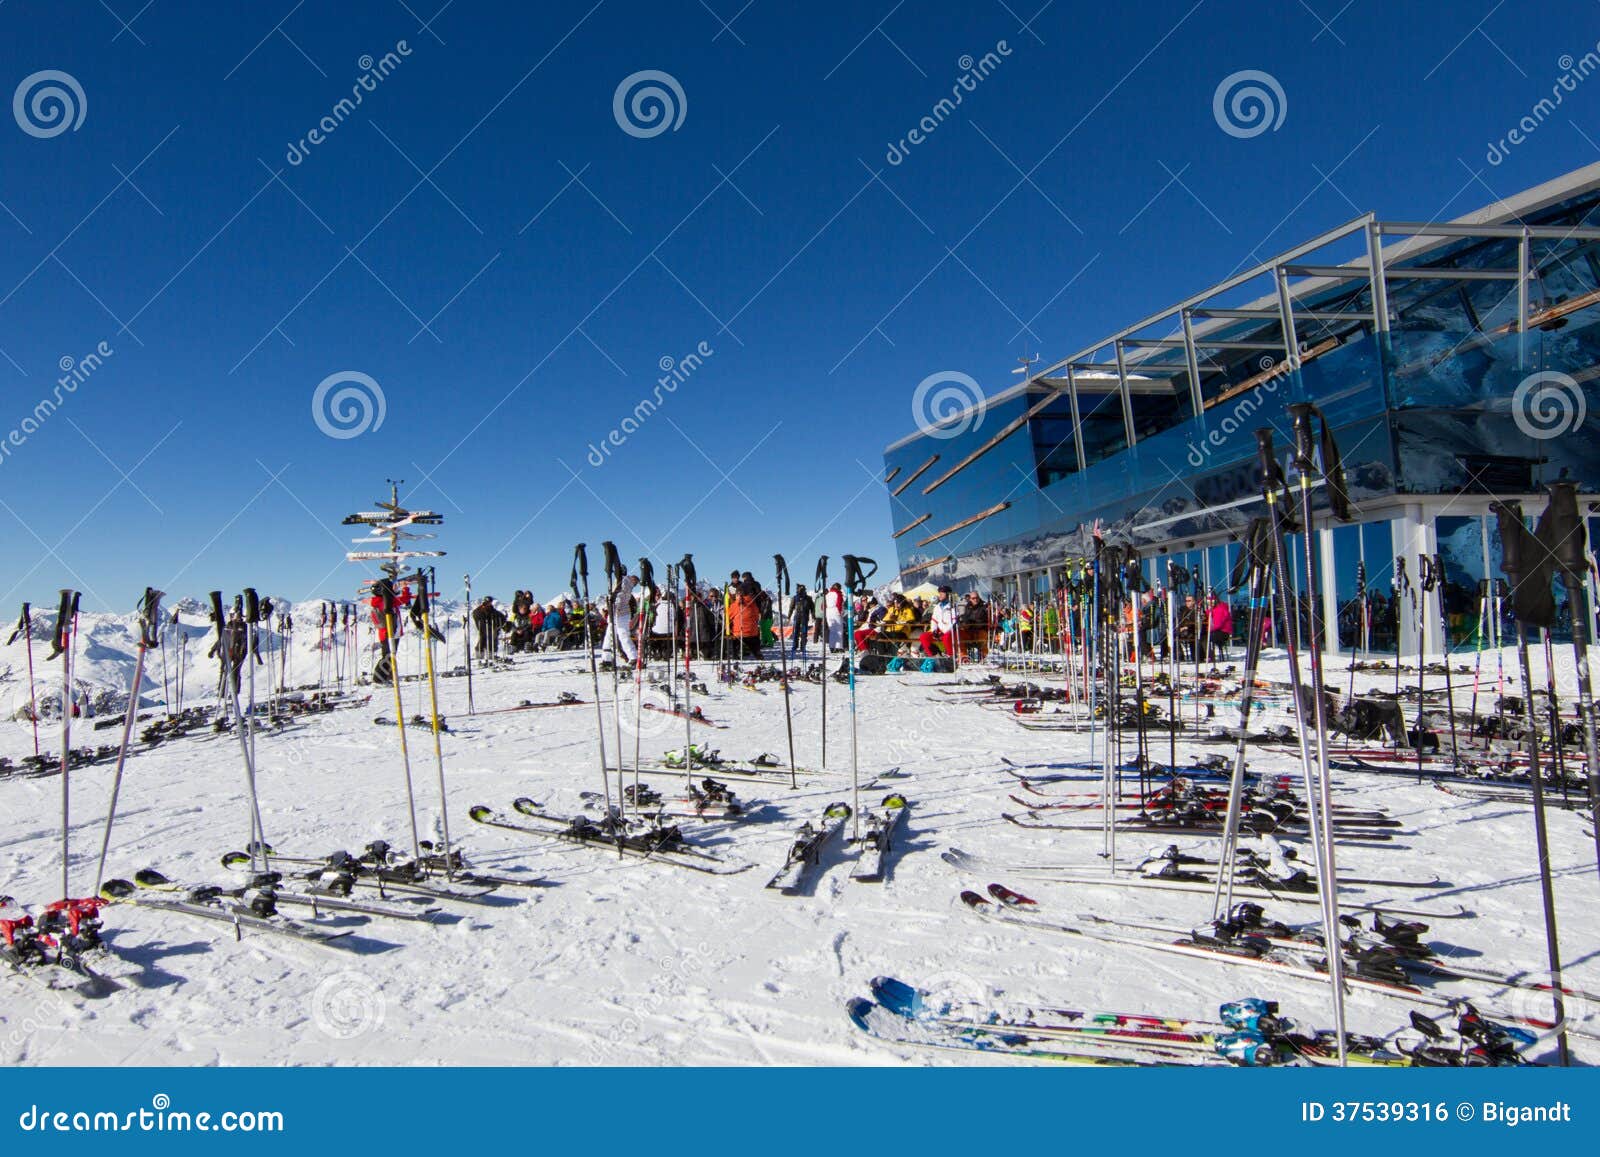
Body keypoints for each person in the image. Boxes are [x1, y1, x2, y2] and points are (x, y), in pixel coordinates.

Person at [602, 575, 640, 664]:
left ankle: (632, 657)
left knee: (620, 636)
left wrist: (612, 606)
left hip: (620, 614)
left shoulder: (626, 583)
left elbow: (618, 596)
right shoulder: (625, 582)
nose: (635, 584)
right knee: (614, 636)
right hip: (618, 613)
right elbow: (617, 595)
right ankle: (607, 658)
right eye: (635, 582)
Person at [727, 585, 762, 659]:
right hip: (752, 633)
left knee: (734, 639)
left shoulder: (735, 605)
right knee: (754, 638)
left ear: (737, 595)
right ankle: (757, 652)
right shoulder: (753, 603)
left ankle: (736, 654)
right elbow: (757, 616)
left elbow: (728, 617)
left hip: (739, 633)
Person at [919, 587, 957, 656]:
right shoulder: (937, 607)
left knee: (946, 637)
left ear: (948, 594)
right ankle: (933, 655)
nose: (940, 595)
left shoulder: (953, 606)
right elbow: (934, 620)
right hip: (939, 630)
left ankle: (951, 655)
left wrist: (944, 631)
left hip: (950, 630)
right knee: (924, 637)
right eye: (939, 593)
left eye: (942, 593)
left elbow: (954, 621)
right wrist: (934, 630)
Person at [1207, 591, 1233, 661]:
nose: (1210, 602)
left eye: (1212, 600)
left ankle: (1208, 656)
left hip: (1223, 632)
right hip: (1218, 631)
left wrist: (1207, 629)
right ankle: (1205, 656)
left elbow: (1217, 624)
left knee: (1206, 637)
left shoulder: (1220, 609)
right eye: (1208, 600)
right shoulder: (1213, 609)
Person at [788, 583, 812, 658]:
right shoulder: (795, 598)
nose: (801, 591)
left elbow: (812, 608)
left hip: (804, 617)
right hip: (798, 617)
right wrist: (789, 616)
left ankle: (802, 646)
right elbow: (791, 608)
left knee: (803, 632)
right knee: (796, 632)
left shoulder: (808, 598)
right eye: (800, 589)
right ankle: (796, 646)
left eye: (802, 589)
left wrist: (813, 616)